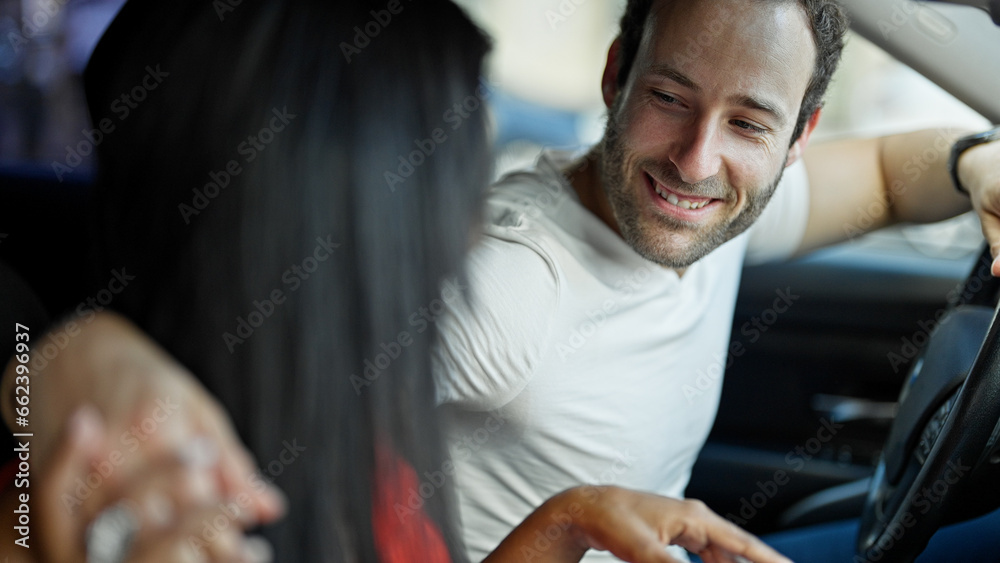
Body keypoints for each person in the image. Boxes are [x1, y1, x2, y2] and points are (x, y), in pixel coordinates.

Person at [0, 0, 792, 562]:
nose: (476, 229)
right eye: (454, 194)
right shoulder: (136, 511)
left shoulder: (362, 443)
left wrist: (569, 523)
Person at [428, 0, 1000, 561]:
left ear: (799, 136)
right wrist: (567, 522)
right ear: (615, 76)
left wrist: (976, 163)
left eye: (748, 123)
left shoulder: (723, 209)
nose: (697, 162)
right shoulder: (500, 283)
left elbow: (887, 173)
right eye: (669, 98)